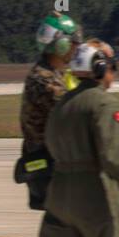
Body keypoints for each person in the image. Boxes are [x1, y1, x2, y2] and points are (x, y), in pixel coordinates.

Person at [23, 40, 119, 237]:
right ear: (99, 69)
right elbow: (111, 155)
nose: (113, 73)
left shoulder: (62, 104)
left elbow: (49, 142)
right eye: (112, 67)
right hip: (95, 201)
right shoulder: (103, 103)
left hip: (59, 199)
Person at [17, 14, 80, 210]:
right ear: (61, 45)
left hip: (56, 161)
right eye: (73, 44)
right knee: (64, 223)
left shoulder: (54, 74)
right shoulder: (45, 80)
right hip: (49, 165)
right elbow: (75, 113)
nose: (76, 48)